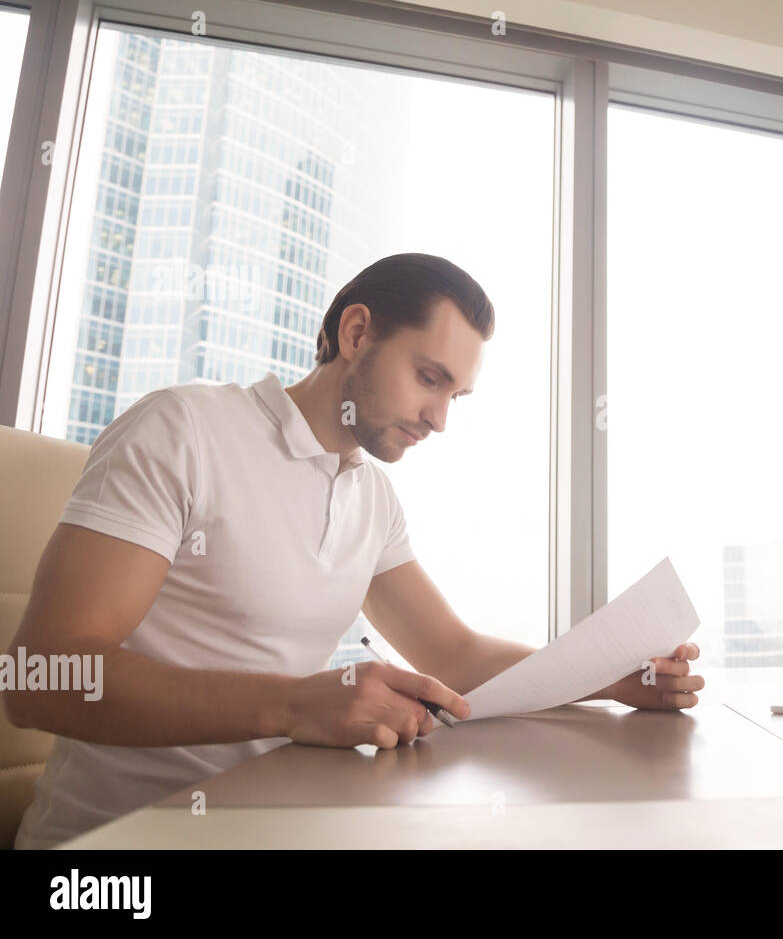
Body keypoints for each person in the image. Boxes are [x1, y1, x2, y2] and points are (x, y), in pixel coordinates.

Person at [5, 253, 704, 849]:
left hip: (269, 827)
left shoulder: (372, 498)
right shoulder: (183, 430)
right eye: (430, 378)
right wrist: (296, 706)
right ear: (357, 332)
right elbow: (39, 677)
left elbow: (455, 656)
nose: (440, 419)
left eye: (457, 394)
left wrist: (612, 677)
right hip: (117, 845)